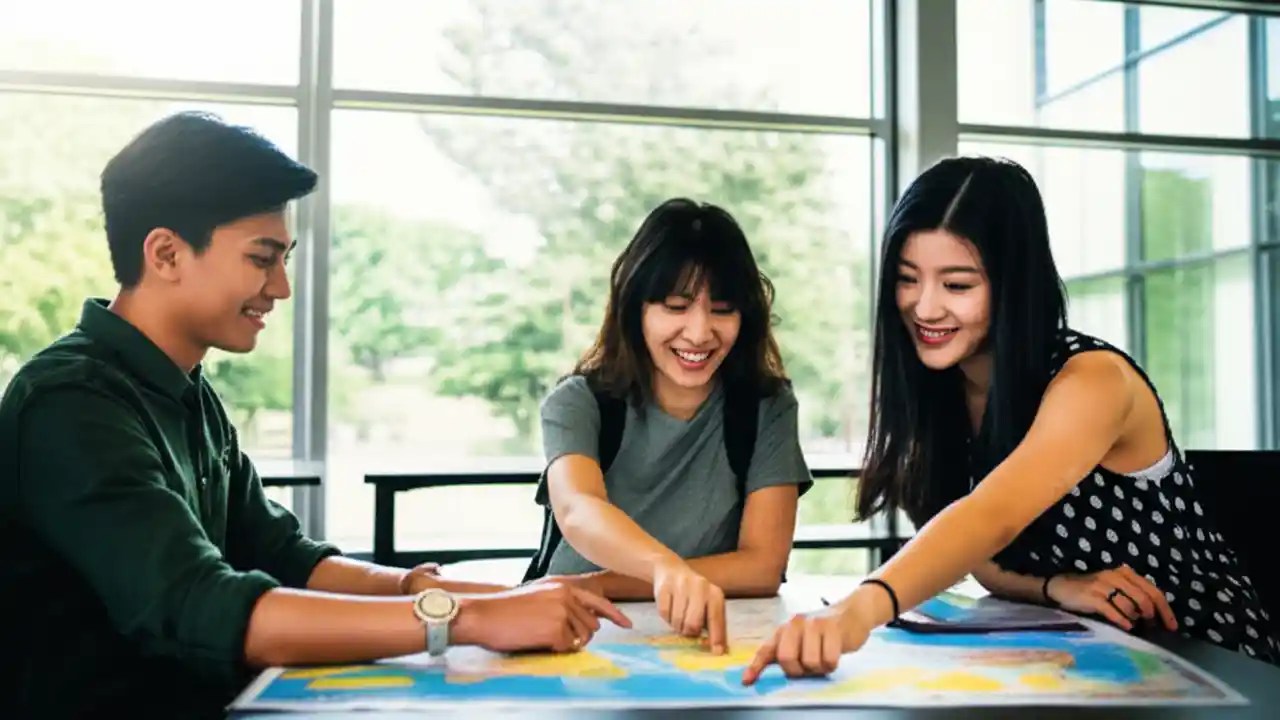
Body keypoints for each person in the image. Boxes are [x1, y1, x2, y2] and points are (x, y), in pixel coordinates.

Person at [0, 111, 629, 718]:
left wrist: (467, 593)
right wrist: (466, 620)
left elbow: (286, 556)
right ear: (165, 254)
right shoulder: (70, 403)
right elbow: (201, 607)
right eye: (261, 257)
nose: (281, 287)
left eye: (284, 259)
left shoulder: (187, 392)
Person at [742, 155, 1279, 685]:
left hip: (1209, 658)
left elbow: (989, 516)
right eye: (908, 279)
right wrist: (1055, 587)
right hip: (1090, 657)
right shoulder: (944, 390)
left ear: (1013, 284)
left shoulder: (1093, 379)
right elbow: (982, 555)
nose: (925, 308)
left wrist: (858, 609)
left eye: (957, 285)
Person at [532, 198, 812, 654]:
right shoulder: (579, 402)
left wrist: (610, 582)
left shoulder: (767, 407)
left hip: (703, 640)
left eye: (722, 309)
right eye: (676, 306)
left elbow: (763, 567)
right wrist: (665, 571)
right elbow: (578, 511)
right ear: (635, 308)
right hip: (576, 631)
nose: (700, 333)